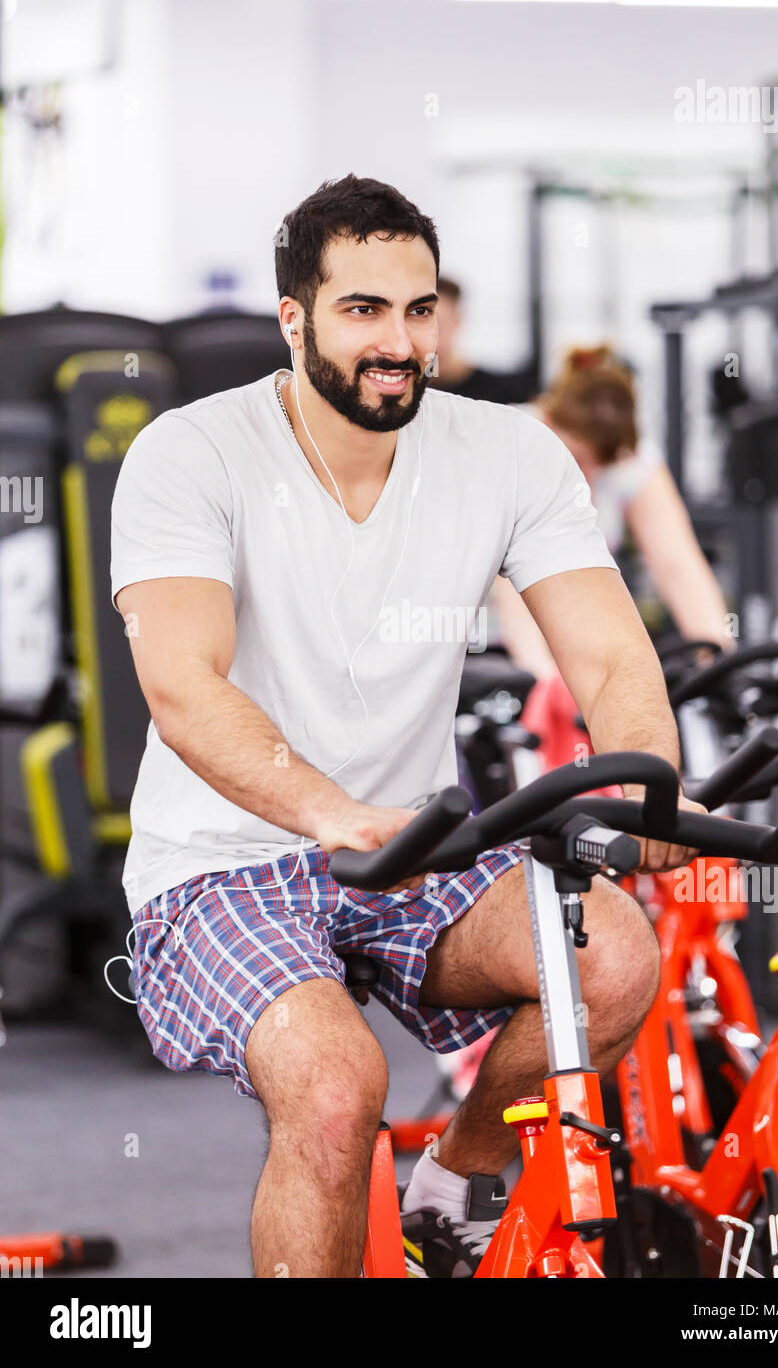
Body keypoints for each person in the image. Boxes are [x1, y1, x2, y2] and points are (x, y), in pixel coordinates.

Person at [110, 174, 704, 1280]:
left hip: (416, 844)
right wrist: (332, 810)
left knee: (613, 956)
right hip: (223, 861)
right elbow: (183, 687)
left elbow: (613, 650)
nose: (398, 341)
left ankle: (446, 1189)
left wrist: (655, 781)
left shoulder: (506, 452)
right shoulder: (190, 455)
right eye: (363, 309)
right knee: (336, 1090)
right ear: (294, 319)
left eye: (418, 309)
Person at [492, 345, 736, 685]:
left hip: (571, 643)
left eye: (599, 464)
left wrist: (720, 659)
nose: (587, 475)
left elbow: (679, 567)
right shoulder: (511, 440)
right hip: (485, 643)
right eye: (577, 458)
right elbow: (508, 580)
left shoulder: (630, 461)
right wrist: (543, 676)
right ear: (547, 418)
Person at [426, 276, 536, 404]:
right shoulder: (407, 395)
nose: (427, 335)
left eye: (438, 324)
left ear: (457, 321)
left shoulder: (502, 393)